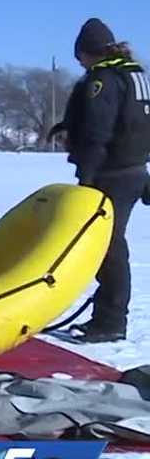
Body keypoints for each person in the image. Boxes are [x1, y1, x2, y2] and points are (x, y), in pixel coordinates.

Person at [55, 18, 149, 342]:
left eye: (79, 56)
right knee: (109, 244)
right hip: (133, 170)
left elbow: (99, 129)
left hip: (111, 175)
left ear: (87, 52)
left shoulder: (103, 80)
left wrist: (88, 176)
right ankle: (106, 316)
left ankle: (110, 322)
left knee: (108, 247)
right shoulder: (133, 74)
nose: (79, 63)